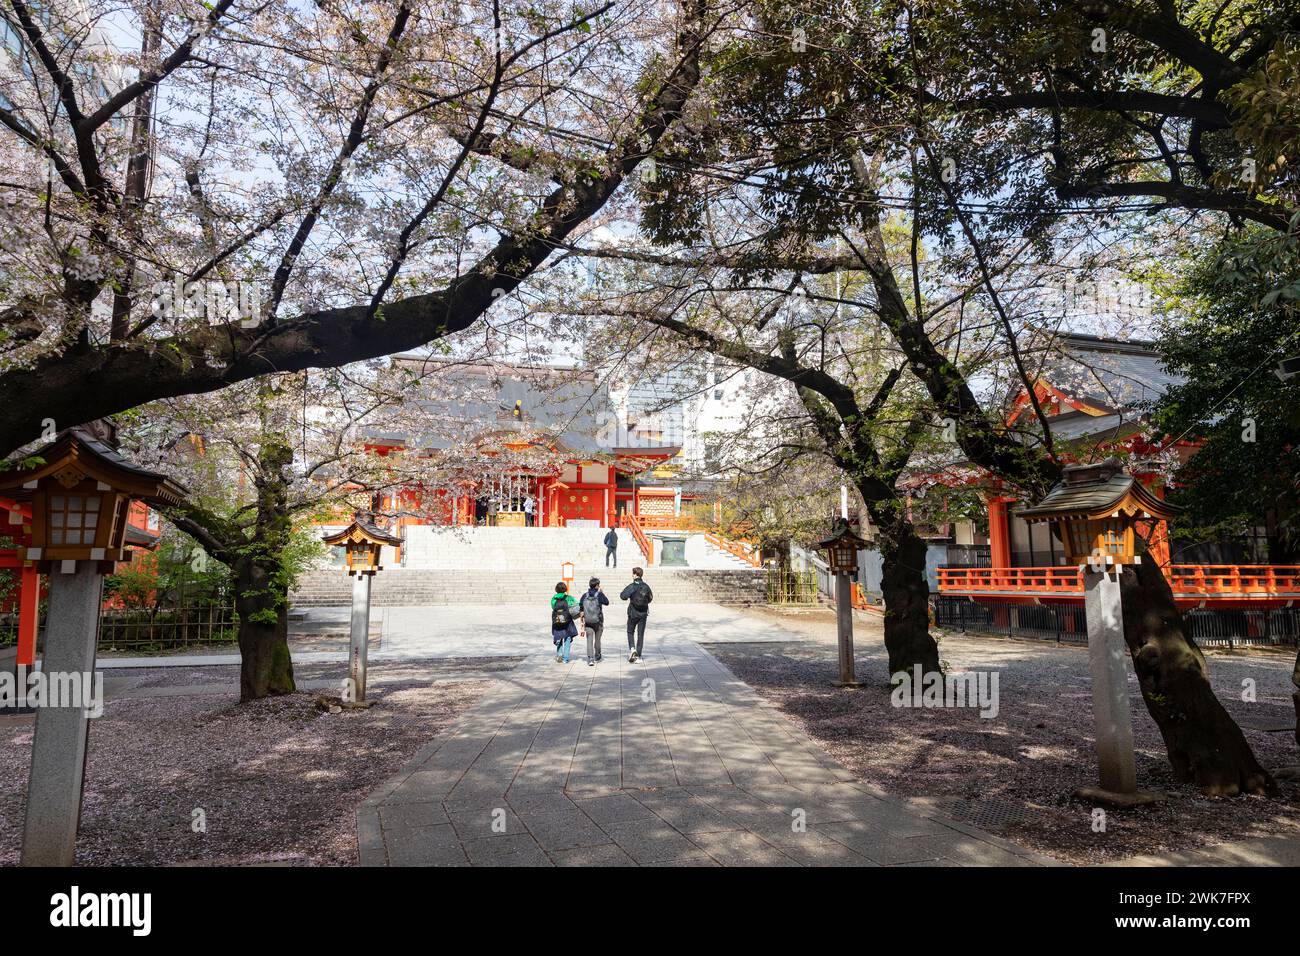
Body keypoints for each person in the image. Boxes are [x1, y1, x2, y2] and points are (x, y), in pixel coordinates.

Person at [620, 567, 653, 662]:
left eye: (633, 574)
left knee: (630, 631)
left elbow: (623, 596)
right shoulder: (646, 586)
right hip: (643, 613)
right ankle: (638, 655)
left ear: (635, 575)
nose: (632, 575)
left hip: (633, 613)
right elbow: (650, 598)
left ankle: (632, 649)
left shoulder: (632, 586)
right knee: (640, 634)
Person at [580, 577, 609, 666]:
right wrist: (602, 592)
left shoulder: (585, 595)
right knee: (597, 640)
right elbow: (607, 602)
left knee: (589, 639)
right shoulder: (599, 595)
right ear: (597, 585)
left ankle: (591, 659)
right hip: (598, 621)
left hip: (588, 621)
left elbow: (580, 607)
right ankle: (597, 655)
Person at [550, 582, 581, 664]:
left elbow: (553, 607)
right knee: (567, 639)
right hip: (567, 622)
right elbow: (577, 605)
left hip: (557, 621)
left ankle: (559, 655)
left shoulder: (553, 599)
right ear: (565, 589)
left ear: (556, 589)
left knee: (558, 638)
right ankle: (565, 658)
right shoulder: (569, 598)